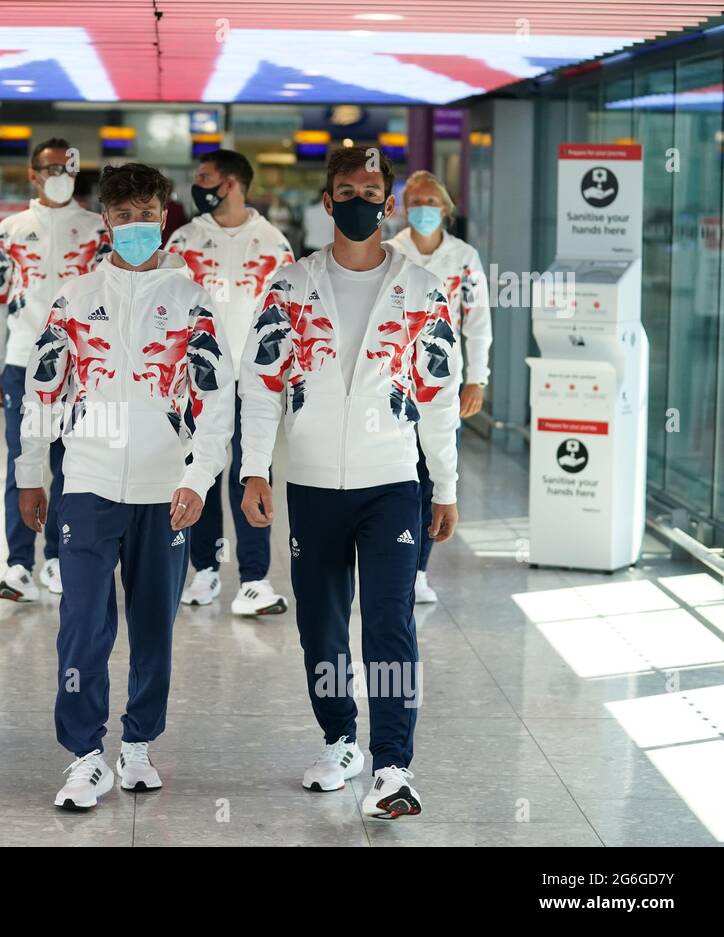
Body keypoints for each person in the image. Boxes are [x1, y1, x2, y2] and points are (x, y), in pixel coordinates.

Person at [239, 146, 460, 819]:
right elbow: (261, 381)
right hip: (310, 485)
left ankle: (393, 763)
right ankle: (341, 739)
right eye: (347, 189)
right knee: (322, 624)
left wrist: (444, 484)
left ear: (387, 200)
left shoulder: (423, 290)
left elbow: (441, 393)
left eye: (372, 189)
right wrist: (255, 467)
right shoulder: (289, 285)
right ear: (328, 201)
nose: (361, 199)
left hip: (392, 481)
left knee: (389, 623)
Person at [17, 163, 235, 810]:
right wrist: (31, 472)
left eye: (148, 215)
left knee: (153, 626)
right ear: (105, 222)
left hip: (164, 490)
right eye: (124, 217)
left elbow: (216, 403)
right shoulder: (75, 298)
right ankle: (85, 754)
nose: (137, 228)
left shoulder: (194, 299)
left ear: (163, 215)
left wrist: (198, 476)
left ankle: (138, 741)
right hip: (85, 483)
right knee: (82, 624)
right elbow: (42, 392)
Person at [166, 149, 295, 615]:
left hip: (255, 383)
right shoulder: (181, 242)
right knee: (201, 470)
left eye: (204, 178)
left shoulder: (274, 244)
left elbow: (288, 320)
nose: (196, 186)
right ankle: (205, 570)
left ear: (232, 184)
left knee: (253, 473)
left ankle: (255, 580)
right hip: (198, 384)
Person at [0, 137, 110, 602]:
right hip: (23, 361)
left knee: (71, 463)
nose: (60, 174)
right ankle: (19, 564)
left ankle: (58, 558)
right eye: (51, 167)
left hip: (81, 367)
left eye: (68, 167)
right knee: (25, 461)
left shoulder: (98, 229)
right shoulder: (10, 231)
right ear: (32, 174)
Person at [385, 170, 490, 604]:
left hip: (443, 387)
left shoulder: (464, 258)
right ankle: (391, 563)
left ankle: (418, 571)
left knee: (434, 476)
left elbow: (478, 321)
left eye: (431, 201)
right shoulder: (389, 253)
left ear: (445, 208)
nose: (423, 209)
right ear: (404, 208)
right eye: (415, 201)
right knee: (395, 476)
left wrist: (477, 379)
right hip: (392, 384)